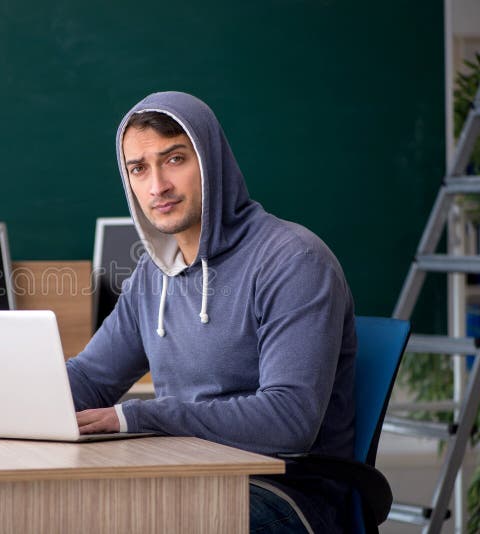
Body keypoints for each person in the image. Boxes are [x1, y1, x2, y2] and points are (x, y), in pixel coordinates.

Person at [66, 91, 357, 533]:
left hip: (285, 492)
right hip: (187, 472)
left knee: (118, 517)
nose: (157, 185)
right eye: (139, 169)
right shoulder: (152, 273)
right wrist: (9, 398)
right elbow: (91, 378)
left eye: (175, 159)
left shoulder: (293, 260)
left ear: (212, 162)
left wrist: (138, 415)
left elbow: (289, 419)